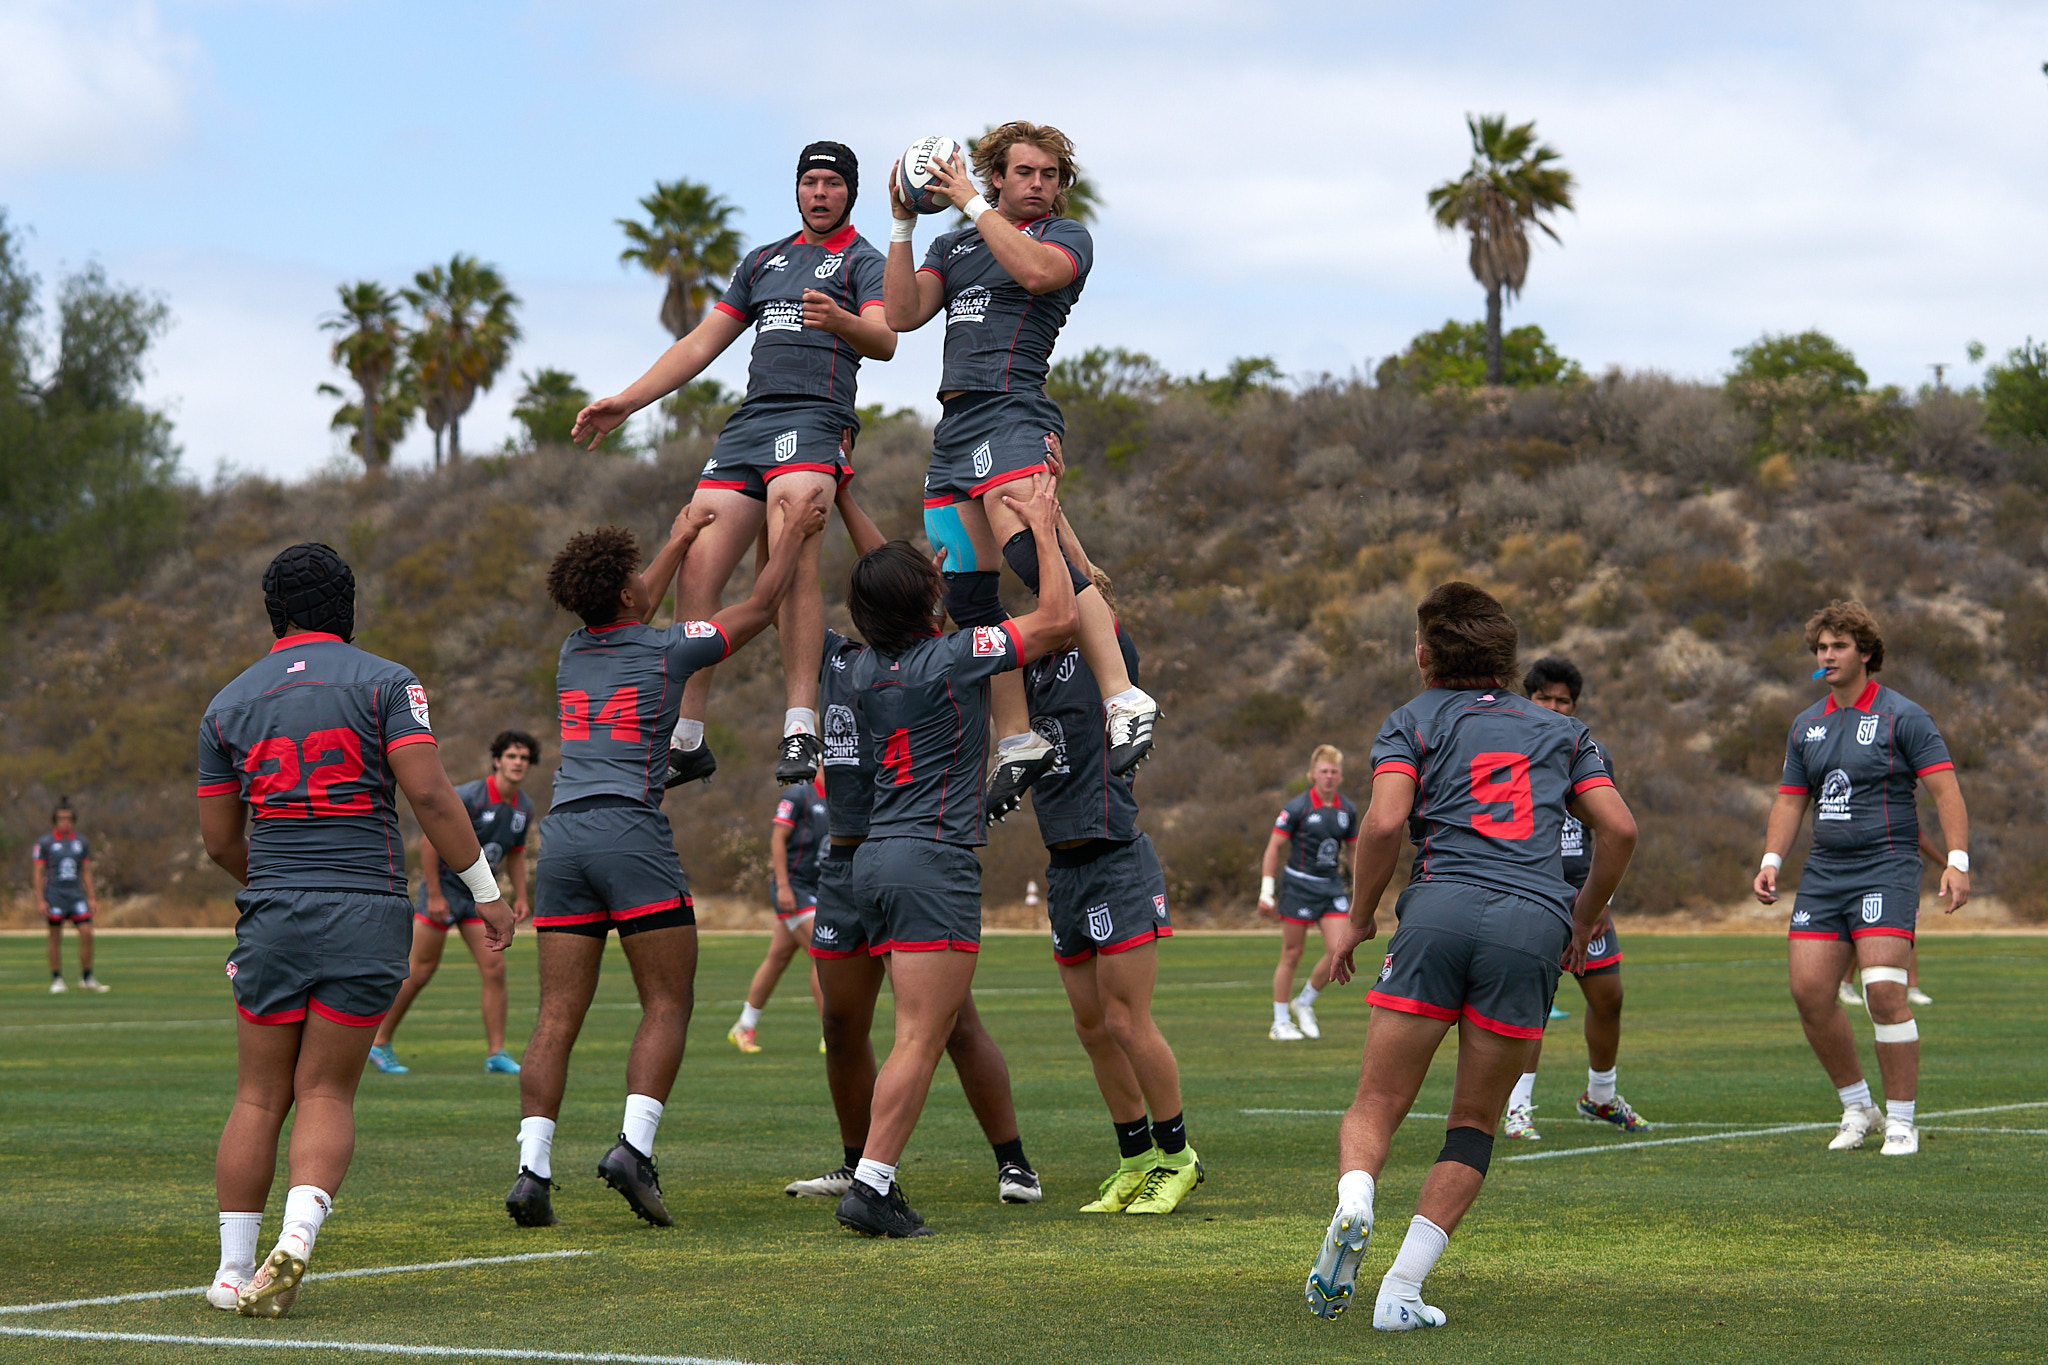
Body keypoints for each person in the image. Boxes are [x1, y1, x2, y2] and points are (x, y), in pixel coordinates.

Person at [1301, 582, 1637, 1331]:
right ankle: (1401, 1290)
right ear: (1510, 662)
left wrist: (1358, 921)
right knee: (1474, 1123)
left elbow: (1385, 824)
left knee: (1378, 1100)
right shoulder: (1565, 732)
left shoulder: (1412, 719)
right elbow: (1619, 829)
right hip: (1531, 924)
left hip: (1440, 909)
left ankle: (1356, 1198)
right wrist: (1581, 922)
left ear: (1424, 656)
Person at [197, 543, 512, 1318]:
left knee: (259, 1095)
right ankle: (298, 1237)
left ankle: (234, 1269)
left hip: (273, 910)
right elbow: (433, 796)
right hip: (365, 909)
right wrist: (487, 891)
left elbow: (216, 839)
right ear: (348, 606)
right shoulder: (387, 682)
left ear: (274, 613)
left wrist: (275, 885)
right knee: (327, 1088)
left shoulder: (227, 702)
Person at [507, 494, 826, 1230]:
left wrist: (682, 537)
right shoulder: (668, 648)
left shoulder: (571, 652)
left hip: (563, 839)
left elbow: (632, 596)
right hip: (630, 831)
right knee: (667, 1002)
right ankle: (633, 1149)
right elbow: (761, 601)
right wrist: (797, 536)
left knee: (557, 1014)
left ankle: (532, 1168)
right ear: (625, 595)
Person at [570, 142, 893, 788]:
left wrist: (841, 321)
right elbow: (699, 343)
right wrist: (626, 402)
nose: (819, 193)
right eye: (810, 182)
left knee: (793, 542)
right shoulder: (763, 261)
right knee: (698, 554)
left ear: (849, 193)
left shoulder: (863, 262)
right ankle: (688, 735)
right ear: (797, 190)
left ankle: (800, 725)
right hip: (750, 422)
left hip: (815, 418)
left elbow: (884, 340)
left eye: (832, 183)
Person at [830, 472, 1077, 1238]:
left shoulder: (857, 667)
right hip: (931, 858)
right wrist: (1040, 524)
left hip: (871, 861)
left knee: (945, 1024)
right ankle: (872, 1183)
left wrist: (841, 503)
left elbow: (888, 589)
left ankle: (1008, 1158)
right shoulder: (954, 656)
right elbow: (1062, 619)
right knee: (920, 1036)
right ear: (929, 604)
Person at [883, 121, 1158, 809]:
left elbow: (1035, 276)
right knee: (968, 597)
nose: (1039, 184)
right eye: (1025, 172)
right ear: (998, 174)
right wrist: (899, 226)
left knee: (1037, 561)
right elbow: (900, 313)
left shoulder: (1062, 239)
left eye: (1050, 175)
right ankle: (1017, 737)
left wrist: (973, 203)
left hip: (1012, 411)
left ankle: (1124, 698)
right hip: (954, 433)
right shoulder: (953, 244)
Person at [1023, 522, 1201, 1214]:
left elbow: (1084, 581)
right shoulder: (1031, 666)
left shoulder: (1107, 658)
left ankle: (1178, 1155)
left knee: (1128, 1021)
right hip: (1063, 868)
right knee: (1092, 1026)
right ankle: (1133, 1156)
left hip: (1115, 857)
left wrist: (1047, 510)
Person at [1754, 600, 1969, 1158]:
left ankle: (1902, 1121)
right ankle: (1858, 1106)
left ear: (1866, 653)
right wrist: (1771, 861)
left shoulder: (1906, 716)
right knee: (1809, 992)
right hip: (1825, 873)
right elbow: (1789, 800)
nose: (1826, 655)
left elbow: (1947, 792)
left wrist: (1957, 861)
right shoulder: (1807, 725)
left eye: (1838, 646)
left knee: (1882, 991)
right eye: (1820, 648)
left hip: (1887, 868)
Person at [1502, 658, 1649, 1140]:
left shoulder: (1592, 752)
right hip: (1531, 890)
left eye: (1563, 700)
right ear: (1528, 700)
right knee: (1533, 1004)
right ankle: (1517, 1107)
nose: (1554, 707)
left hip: (1582, 894)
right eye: (1544, 698)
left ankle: (1600, 1098)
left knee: (1609, 997)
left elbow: (1606, 830)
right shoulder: (1508, 748)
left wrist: (1598, 896)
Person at [368, 731, 540, 1075]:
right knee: (419, 971)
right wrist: (433, 894)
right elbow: (432, 843)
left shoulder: (523, 807)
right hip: (444, 891)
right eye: (512, 756)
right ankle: (379, 1042)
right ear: (497, 760)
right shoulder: (470, 796)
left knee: (495, 969)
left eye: (524, 757)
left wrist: (520, 897)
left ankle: (496, 1053)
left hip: (478, 899)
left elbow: (516, 855)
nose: (518, 762)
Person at [1259, 747, 1359, 1041]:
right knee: (1292, 953)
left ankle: (1303, 1003)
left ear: (1340, 775)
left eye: (1334, 772)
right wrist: (1267, 891)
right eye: (1324, 771)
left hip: (1330, 886)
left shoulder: (1348, 810)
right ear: (1313, 774)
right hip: (1299, 886)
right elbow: (1273, 847)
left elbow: (1353, 851)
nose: (1329, 777)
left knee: (1339, 949)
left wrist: (1362, 889)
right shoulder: (1297, 807)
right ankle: (1279, 1022)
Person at [728, 774, 828, 1053]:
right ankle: (830, 1034)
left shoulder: (841, 793)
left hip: (819, 889)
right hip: (794, 888)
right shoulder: (798, 794)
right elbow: (777, 839)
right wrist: (783, 886)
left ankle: (744, 1027)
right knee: (823, 953)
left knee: (778, 957)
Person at [34, 798, 105, 993]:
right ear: (55, 820)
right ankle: (57, 979)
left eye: (68, 818)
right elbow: (38, 872)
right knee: (55, 937)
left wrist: (91, 896)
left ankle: (87, 977)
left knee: (87, 933)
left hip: (76, 894)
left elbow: (86, 870)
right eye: (61, 818)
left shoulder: (81, 842)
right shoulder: (45, 842)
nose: (65, 822)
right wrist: (40, 899)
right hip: (55, 895)